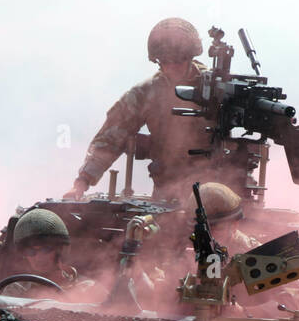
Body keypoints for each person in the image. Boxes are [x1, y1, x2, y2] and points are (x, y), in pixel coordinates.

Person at [62, 18, 212, 205]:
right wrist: (81, 183)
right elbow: (110, 138)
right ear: (157, 61)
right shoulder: (146, 93)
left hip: (217, 193)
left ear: (190, 56)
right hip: (167, 193)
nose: (172, 66)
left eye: (178, 60)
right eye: (166, 61)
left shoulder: (218, 90)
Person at [0, 208, 97, 299]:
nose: (39, 258)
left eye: (45, 250)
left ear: (60, 250)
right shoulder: (17, 291)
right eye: (31, 252)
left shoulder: (87, 289)